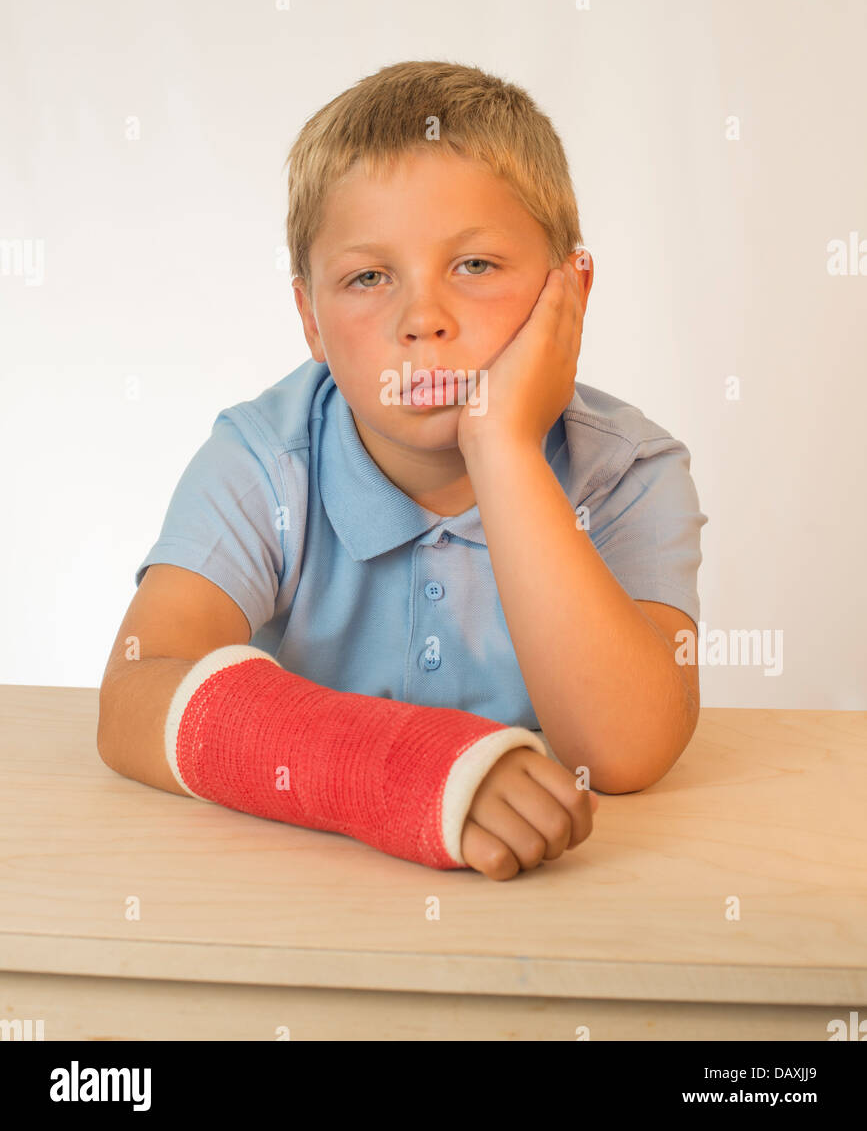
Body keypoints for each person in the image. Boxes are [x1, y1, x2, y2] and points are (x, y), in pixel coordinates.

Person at [97, 60, 708, 881]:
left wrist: (502, 448)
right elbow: (134, 692)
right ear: (310, 319)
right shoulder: (265, 462)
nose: (423, 320)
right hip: (308, 892)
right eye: (368, 277)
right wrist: (414, 768)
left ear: (571, 291)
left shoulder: (628, 472)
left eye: (475, 266)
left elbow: (626, 750)